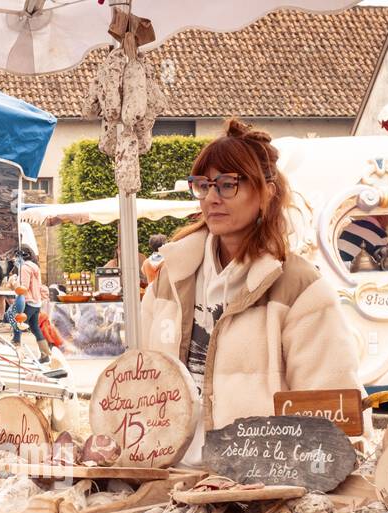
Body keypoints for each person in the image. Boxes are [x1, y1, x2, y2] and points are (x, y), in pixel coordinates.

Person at [140, 118, 360, 461]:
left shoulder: (300, 290)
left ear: (265, 192)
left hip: (258, 485)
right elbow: (140, 382)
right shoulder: (172, 278)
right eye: (204, 185)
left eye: (228, 185)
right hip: (171, 474)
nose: (212, 197)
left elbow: (332, 407)